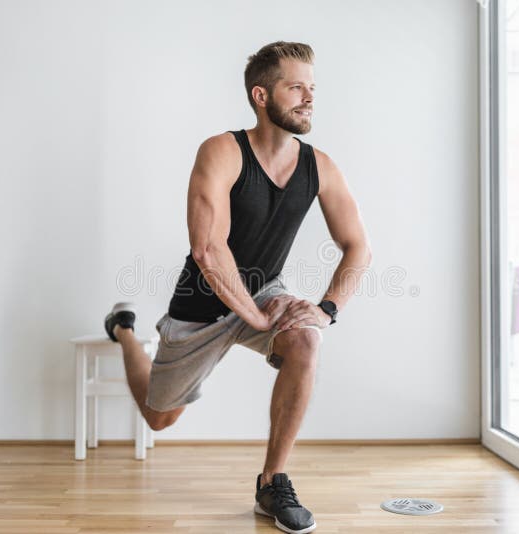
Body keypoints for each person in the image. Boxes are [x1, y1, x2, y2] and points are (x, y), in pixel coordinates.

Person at [103, 41, 371, 534]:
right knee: (159, 418)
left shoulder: (320, 167)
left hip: (264, 290)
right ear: (261, 95)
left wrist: (327, 309)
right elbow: (209, 249)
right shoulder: (222, 151)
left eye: (313, 89)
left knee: (306, 339)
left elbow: (357, 246)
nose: (309, 98)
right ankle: (124, 331)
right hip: (201, 303)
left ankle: (273, 483)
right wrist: (255, 317)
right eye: (296, 88)